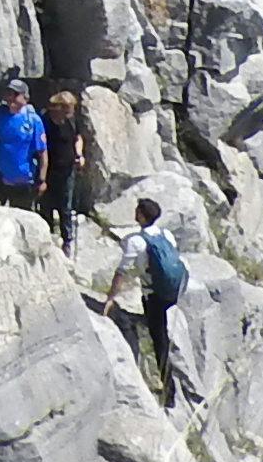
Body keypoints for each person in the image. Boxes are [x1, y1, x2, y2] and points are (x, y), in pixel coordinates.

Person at [112, 196, 189, 404]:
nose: (135, 213)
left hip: (152, 295)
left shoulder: (137, 241)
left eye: (137, 210)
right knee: (159, 330)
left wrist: (111, 298)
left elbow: (122, 271)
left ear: (142, 216)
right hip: (172, 292)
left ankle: (169, 391)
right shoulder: (167, 235)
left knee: (160, 341)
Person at [37, 84, 95, 246]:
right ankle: (47, 237)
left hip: (67, 168)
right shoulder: (45, 121)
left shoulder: (72, 121)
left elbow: (77, 137)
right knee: (46, 204)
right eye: (69, 107)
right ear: (59, 107)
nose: (72, 110)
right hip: (49, 169)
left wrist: (79, 155)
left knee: (66, 207)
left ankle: (67, 240)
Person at [0, 76, 47, 207]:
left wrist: (42, 179)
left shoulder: (33, 120)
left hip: (24, 180)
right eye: (8, 94)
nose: (11, 98)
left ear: (25, 98)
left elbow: (42, 152)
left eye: (15, 94)